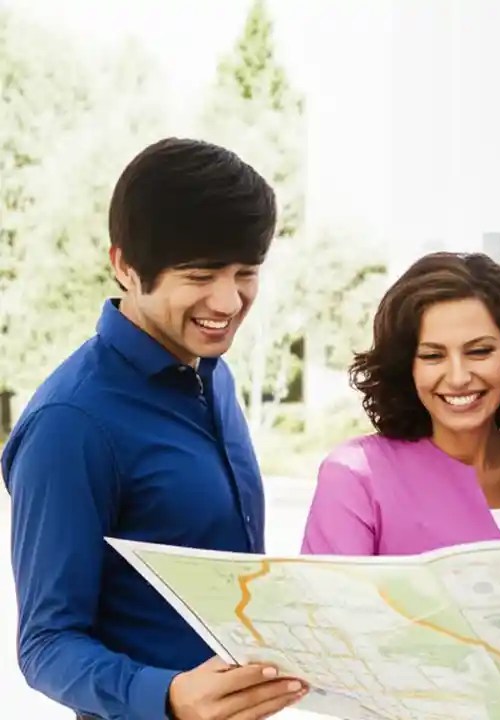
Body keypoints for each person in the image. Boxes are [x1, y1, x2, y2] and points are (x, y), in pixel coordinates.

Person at [0, 138, 306, 720]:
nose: (229, 299)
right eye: (199, 275)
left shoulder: (213, 375)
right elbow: (45, 645)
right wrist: (168, 697)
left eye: (246, 272)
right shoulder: (70, 425)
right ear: (124, 267)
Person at [300, 252, 500, 556]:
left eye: (480, 351)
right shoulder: (355, 477)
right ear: (406, 366)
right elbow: (327, 602)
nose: (458, 378)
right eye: (433, 356)